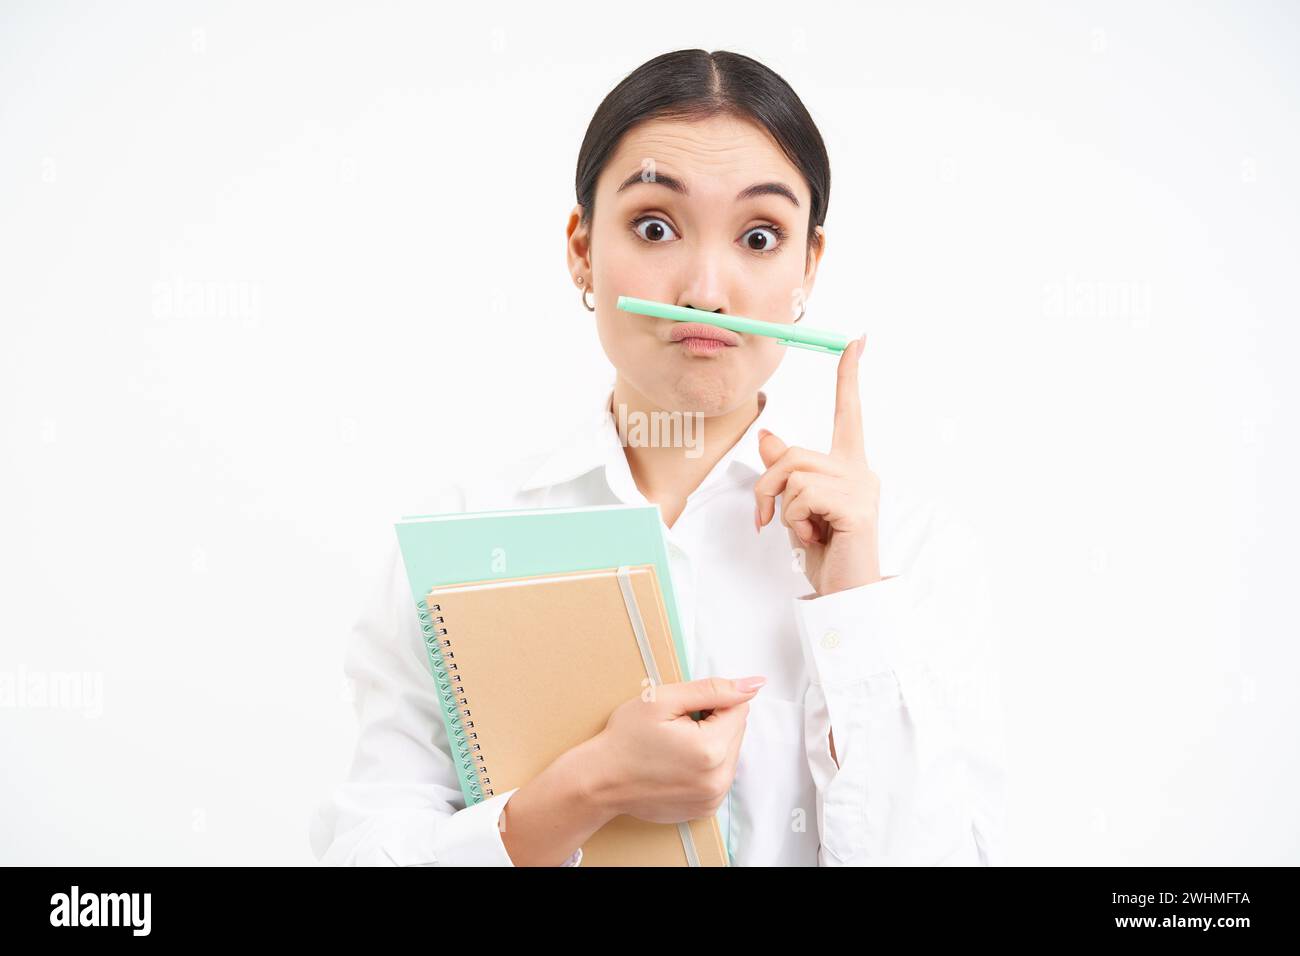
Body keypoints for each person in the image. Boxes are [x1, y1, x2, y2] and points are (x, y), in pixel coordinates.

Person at [309, 48, 1006, 867]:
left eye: (758, 236)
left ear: (806, 270)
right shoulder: (457, 543)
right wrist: (580, 793)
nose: (705, 290)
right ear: (581, 250)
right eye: (654, 226)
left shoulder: (912, 556)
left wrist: (852, 604)